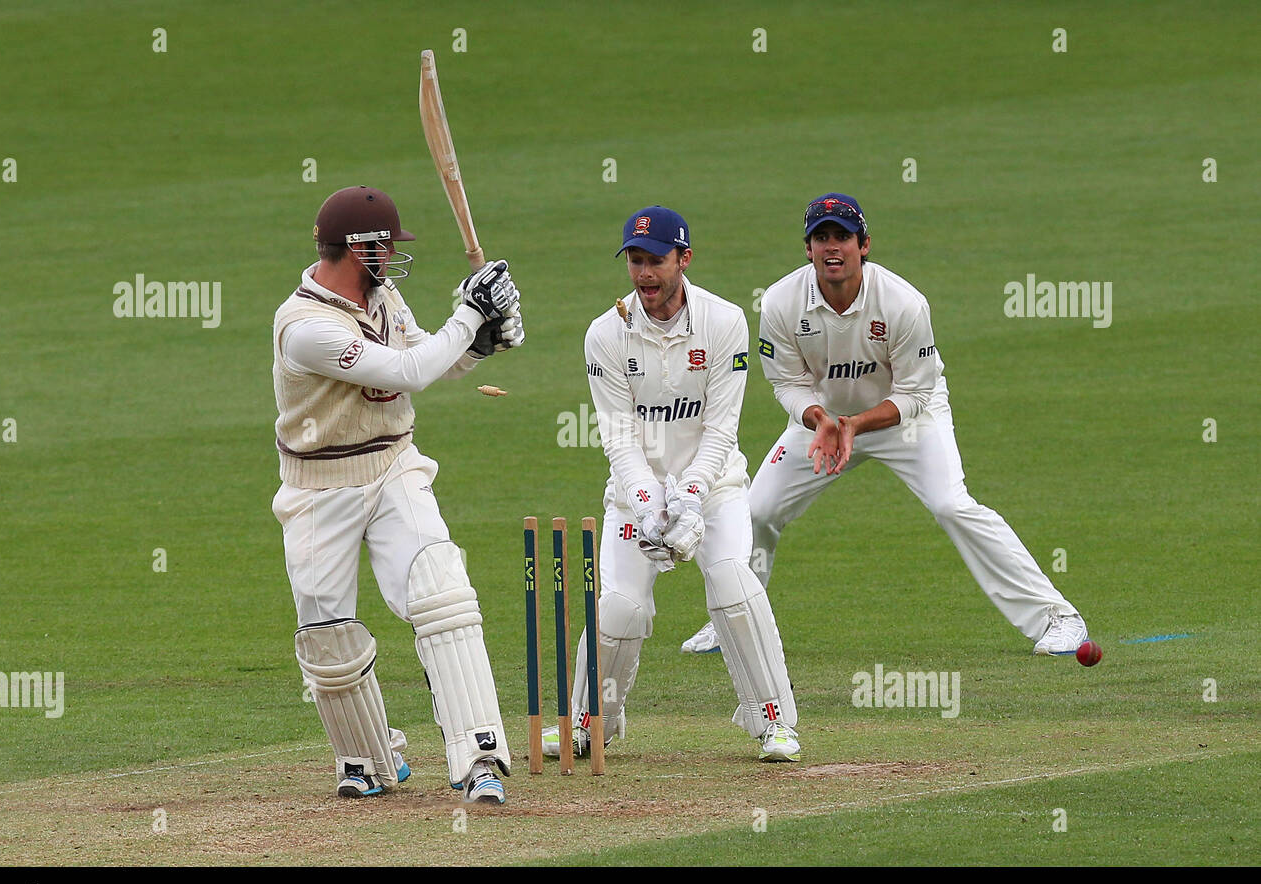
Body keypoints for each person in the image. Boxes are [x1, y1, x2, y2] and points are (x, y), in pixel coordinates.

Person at [680, 193, 1093, 659]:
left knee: (951, 505)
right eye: (821, 237)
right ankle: (734, 620)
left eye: (842, 236)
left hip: (906, 418)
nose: (832, 247)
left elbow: (916, 393)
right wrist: (821, 420)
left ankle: (1058, 617)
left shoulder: (903, 303)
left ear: (864, 245)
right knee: (756, 510)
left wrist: (855, 423)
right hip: (825, 422)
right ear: (808, 248)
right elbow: (788, 383)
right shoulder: (779, 302)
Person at [271, 185, 525, 802]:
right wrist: (470, 313)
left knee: (444, 591)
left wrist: (482, 340)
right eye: (385, 246)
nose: (391, 257)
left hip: (392, 467)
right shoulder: (304, 327)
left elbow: (424, 360)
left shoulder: (383, 296)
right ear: (358, 248)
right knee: (327, 640)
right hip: (317, 486)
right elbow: (405, 372)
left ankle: (480, 757)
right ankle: (367, 759)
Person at [543, 206, 801, 763]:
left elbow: (721, 428)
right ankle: (591, 723)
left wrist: (689, 499)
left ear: (683, 258)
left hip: (717, 488)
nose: (644, 274)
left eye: (656, 260)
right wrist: (650, 504)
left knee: (734, 585)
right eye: (635, 261)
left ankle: (774, 722)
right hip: (635, 493)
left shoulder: (725, 321)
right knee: (618, 607)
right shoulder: (605, 333)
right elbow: (618, 439)